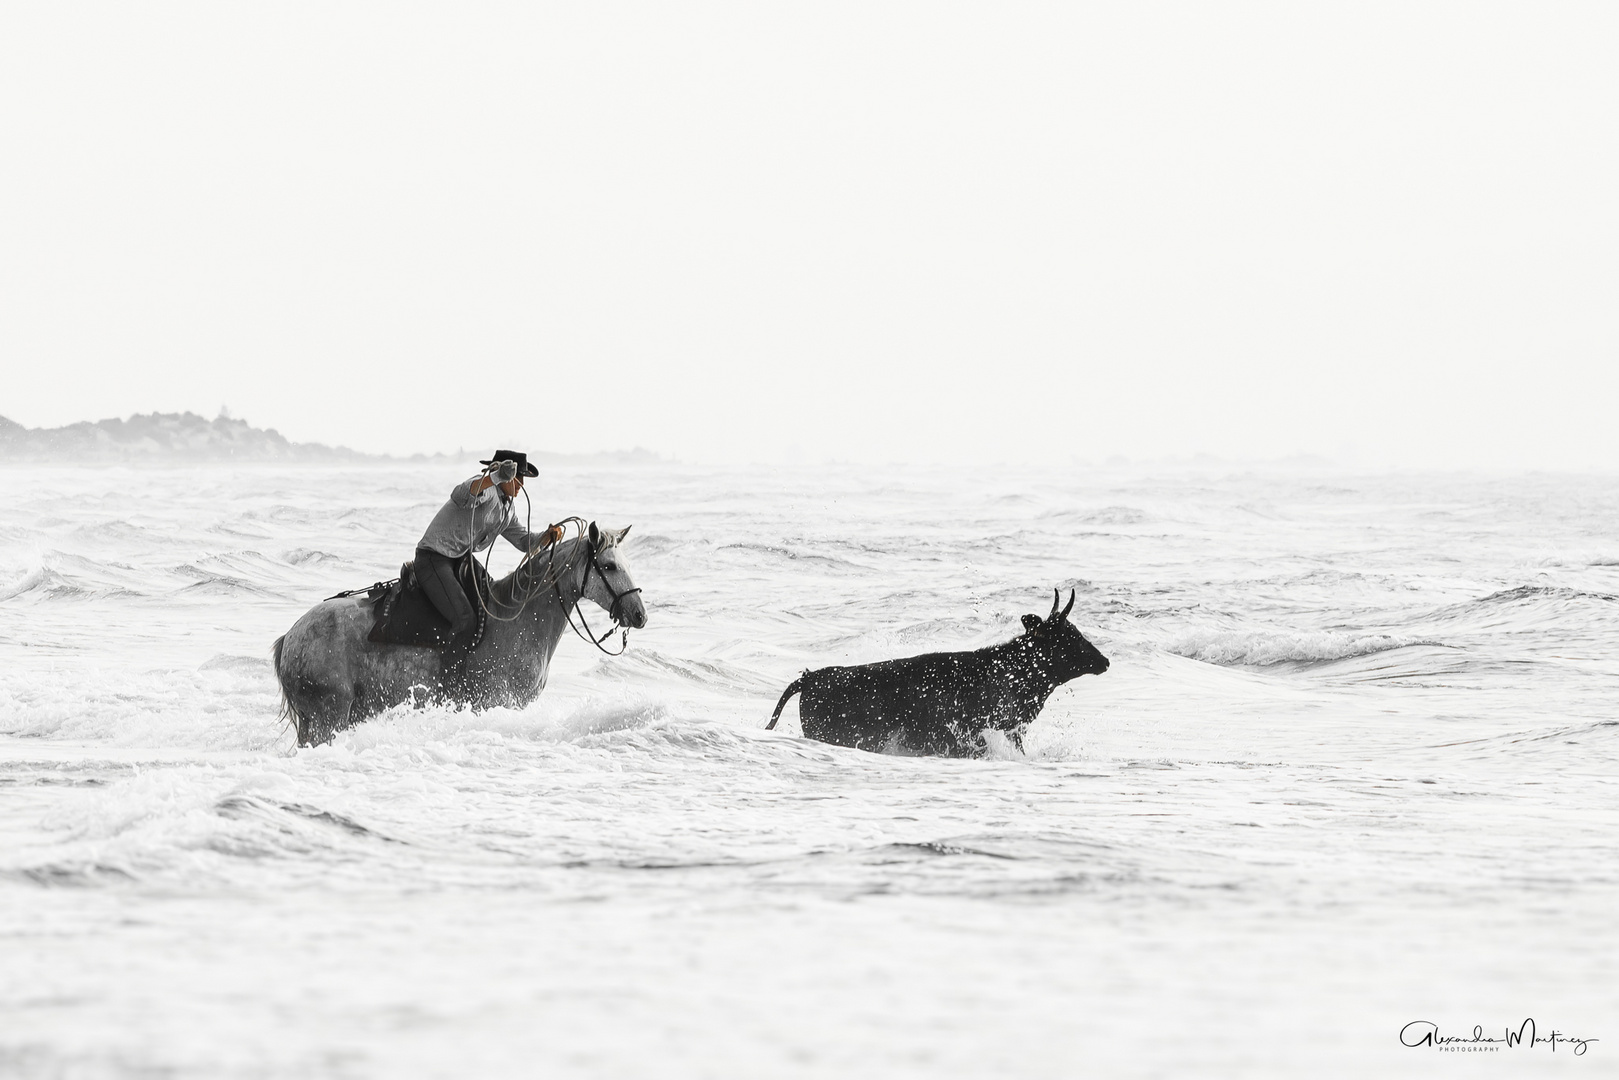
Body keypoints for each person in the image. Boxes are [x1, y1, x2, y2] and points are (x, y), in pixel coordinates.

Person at [414, 450, 563, 639]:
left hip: (459, 559)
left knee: (491, 605)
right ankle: (451, 669)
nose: (522, 485)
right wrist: (495, 477)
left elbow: (524, 542)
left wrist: (547, 537)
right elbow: (460, 494)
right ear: (504, 474)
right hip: (433, 557)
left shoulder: (507, 508)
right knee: (465, 621)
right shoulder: (486, 487)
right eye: (518, 477)